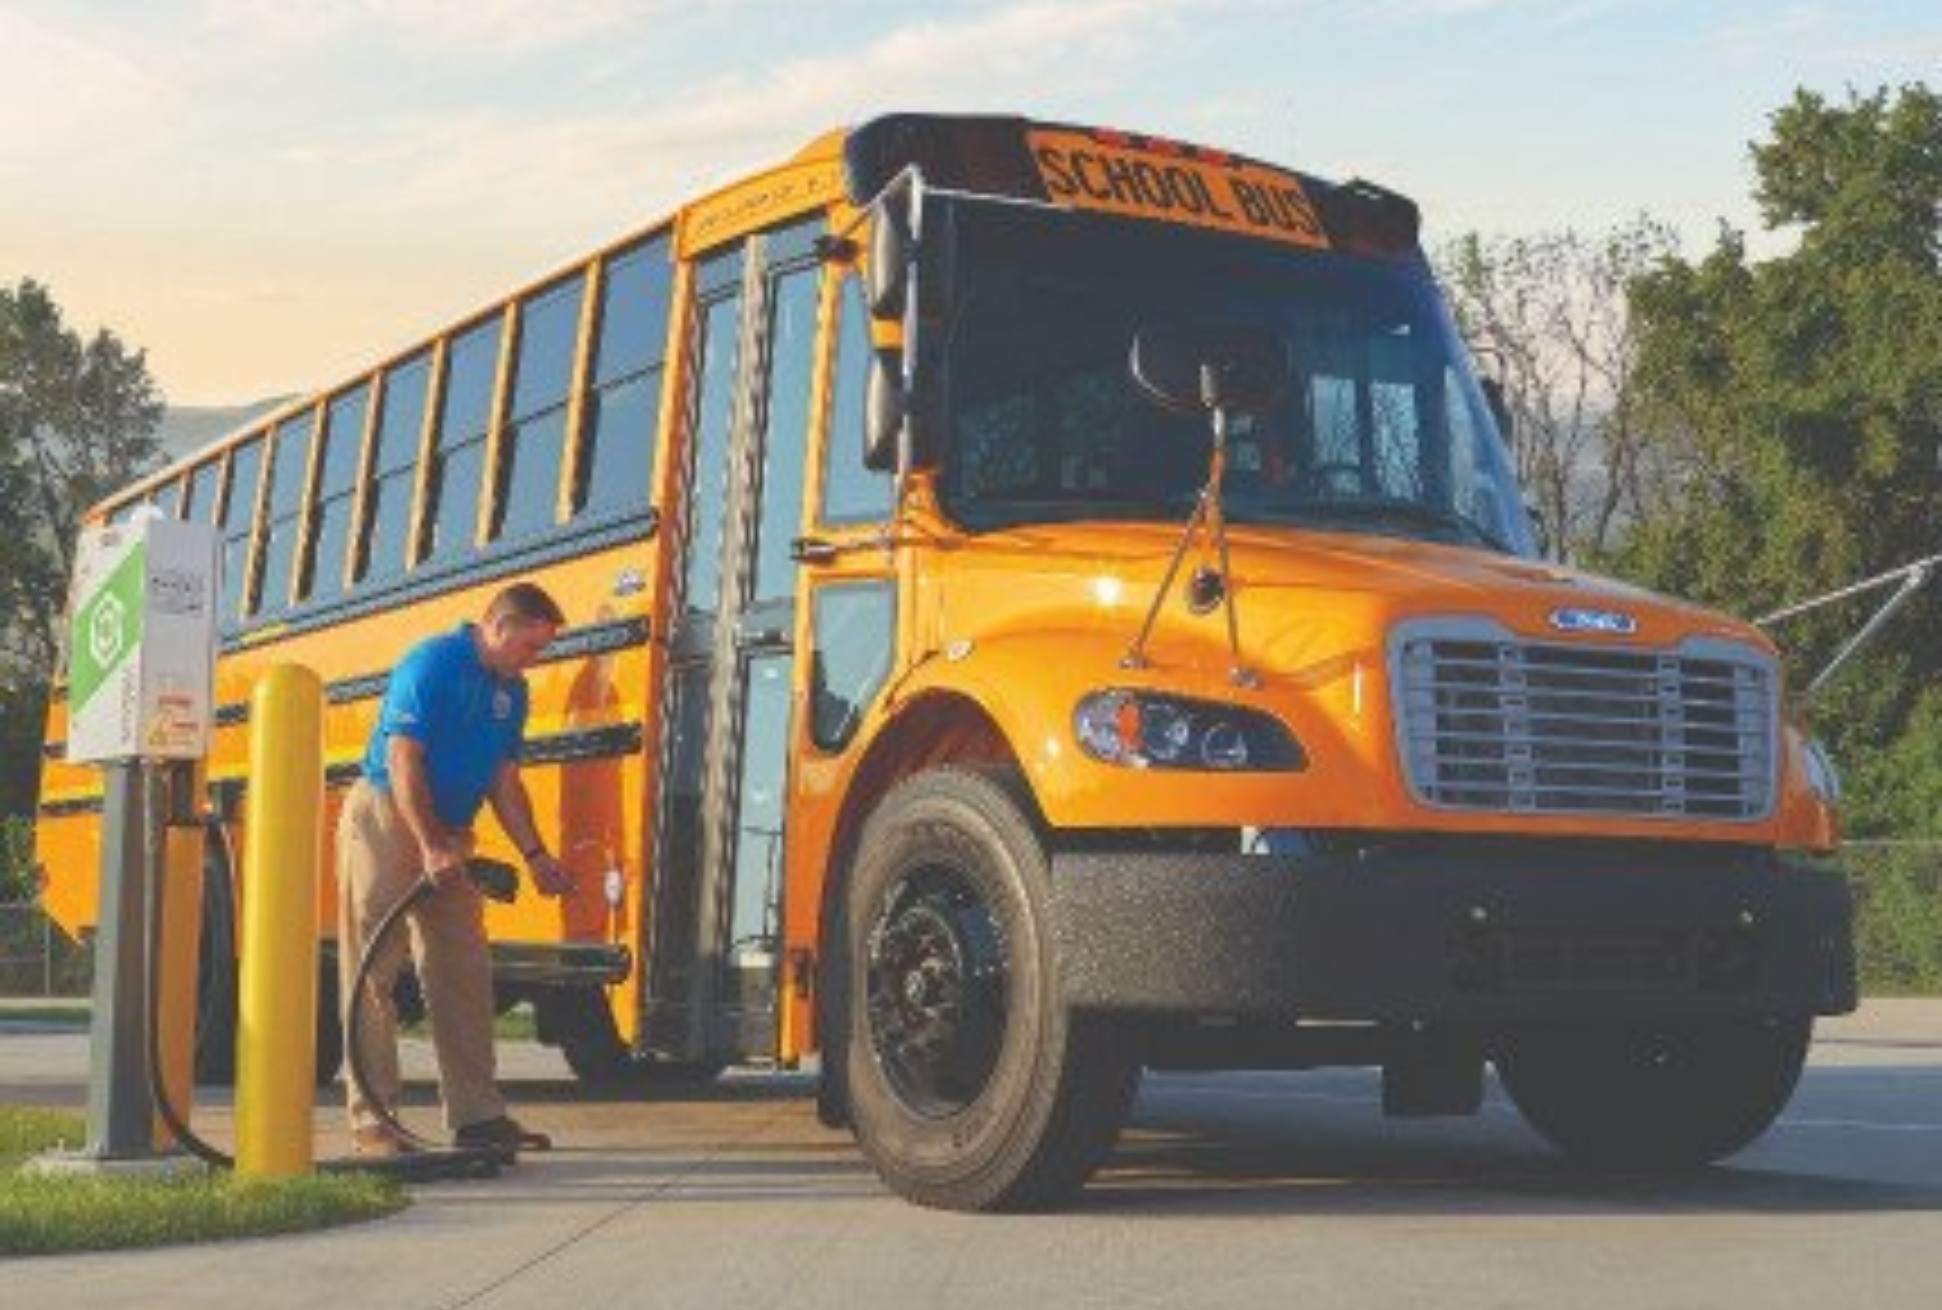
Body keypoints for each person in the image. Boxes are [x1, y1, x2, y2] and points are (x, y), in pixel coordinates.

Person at [339, 582, 574, 1158]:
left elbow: (504, 781)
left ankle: (477, 1116)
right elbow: (403, 759)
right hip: (388, 817)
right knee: (374, 970)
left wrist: (537, 855)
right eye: (530, 646)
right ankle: (374, 1121)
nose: (533, 661)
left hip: (451, 830)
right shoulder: (433, 663)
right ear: (497, 626)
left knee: (464, 971)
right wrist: (429, 845)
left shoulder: (511, 692)